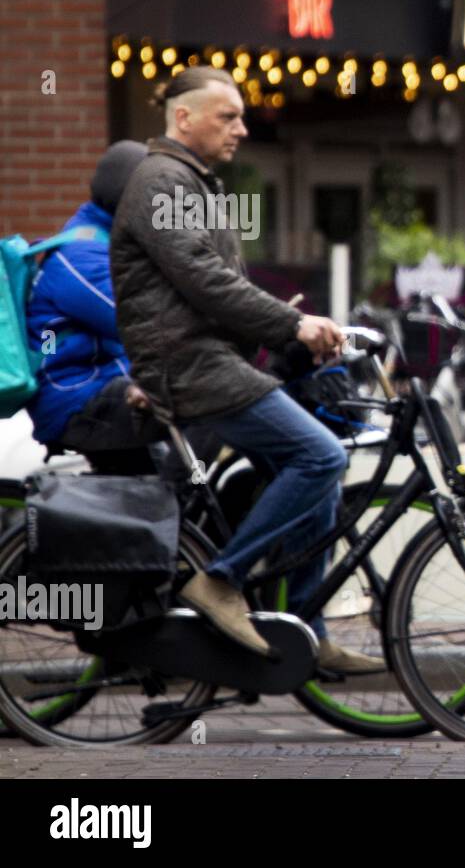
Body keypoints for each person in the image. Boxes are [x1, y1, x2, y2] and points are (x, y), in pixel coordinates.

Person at [110, 65, 384, 674]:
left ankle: (304, 631)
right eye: (226, 116)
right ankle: (222, 581)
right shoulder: (161, 183)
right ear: (184, 118)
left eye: (240, 116)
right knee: (322, 456)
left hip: (213, 360)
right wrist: (291, 327)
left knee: (314, 477)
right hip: (190, 368)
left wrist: (282, 324)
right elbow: (204, 283)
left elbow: (217, 286)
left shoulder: (192, 182)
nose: (241, 128)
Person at [25, 141, 158, 473]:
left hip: (101, 383)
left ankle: (177, 509)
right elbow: (141, 323)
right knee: (214, 404)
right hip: (76, 397)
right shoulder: (81, 256)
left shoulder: (109, 242)